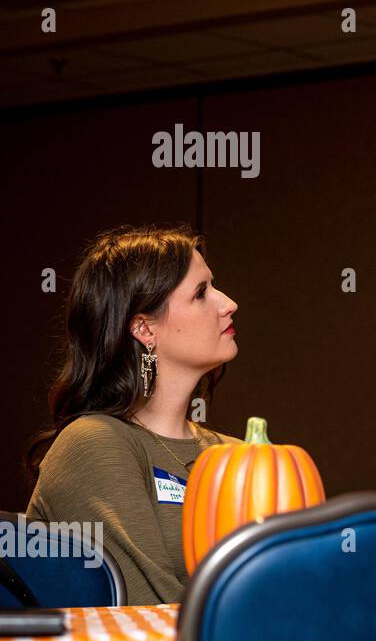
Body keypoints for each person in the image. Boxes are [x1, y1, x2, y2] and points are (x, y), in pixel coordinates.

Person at [23, 225, 242, 605]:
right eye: (201, 293)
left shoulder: (238, 454)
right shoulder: (93, 443)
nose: (228, 303)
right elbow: (148, 611)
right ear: (144, 328)